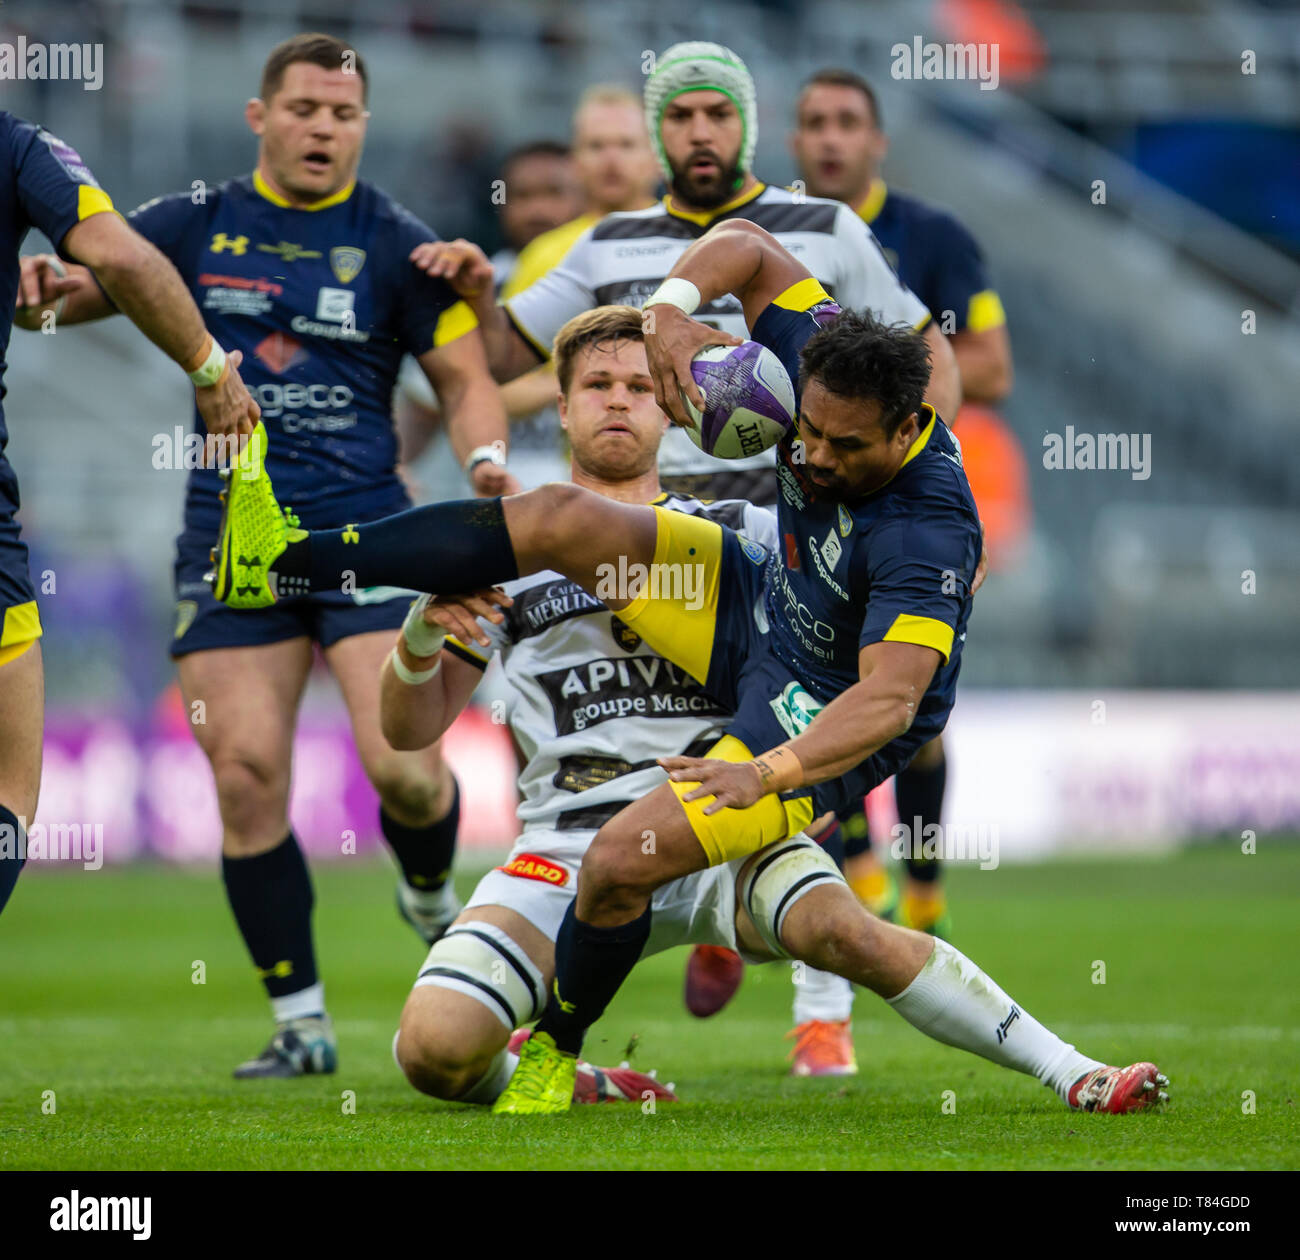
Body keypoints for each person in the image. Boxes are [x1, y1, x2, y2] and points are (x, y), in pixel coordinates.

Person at [204, 227, 1167, 1121]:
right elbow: (746, 247)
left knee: (814, 922)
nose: (814, 455)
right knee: (435, 1054)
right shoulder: (543, 538)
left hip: (803, 706)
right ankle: (284, 555)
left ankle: (1072, 1071)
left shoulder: (927, 534)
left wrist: (772, 774)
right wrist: (668, 312)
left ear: (910, 424)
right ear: (564, 400)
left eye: (844, 446)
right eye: (809, 433)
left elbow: (891, 699)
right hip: (641, 744)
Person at [14, 33, 510, 1076]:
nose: (322, 128)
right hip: (230, 543)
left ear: (363, 125)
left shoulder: (398, 243)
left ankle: (425, 888)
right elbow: (94, 283)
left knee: (408, 779)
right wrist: (40, 286)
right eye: (304, 109)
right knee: (243, 774)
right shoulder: (196, 221)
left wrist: (487, 460)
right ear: (259, 117)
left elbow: (464, 377)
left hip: (367, 537)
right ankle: (302, 1023)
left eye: (342, 113)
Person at [386, 305, 799, 1108]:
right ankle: (579, 1076)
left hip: (714, 831)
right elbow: (408, 729)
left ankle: (1053, 1069)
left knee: (845, 928)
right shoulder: (508, 550)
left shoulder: (742, 532)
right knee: (431, 1053)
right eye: (597, 385)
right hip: (566, 849)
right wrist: (417, 635)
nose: (618, 400)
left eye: (641, 386)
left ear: (673, 409)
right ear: (563, 407)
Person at [410, 40, 960, 505]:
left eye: (718, 115)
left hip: (795, 511)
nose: (700, 133)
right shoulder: (606, 240)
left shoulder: (825, 226)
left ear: (745, 126)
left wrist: (917, 486)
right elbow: (503, 356)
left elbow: (927, 359)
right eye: (679, 116)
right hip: (648, 516)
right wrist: (480, 296)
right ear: (656, 134)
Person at [1, 111, 258, 916]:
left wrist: (38, 305)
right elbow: (115, 251)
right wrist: (209, 367)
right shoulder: (16, 146)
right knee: (9, 790)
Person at [791, 66, 1016, 944]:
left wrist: (899, 419)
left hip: (912, 497)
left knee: (914, 716)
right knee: (817, 683)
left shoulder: (932, 237)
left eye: (848, 121)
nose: (831, 138)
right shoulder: (782, 234)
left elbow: (991, 366)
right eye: (814, 122)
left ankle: (922, 889)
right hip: (810, 496)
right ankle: (856, 869)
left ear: (877, 139)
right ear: (795, 141)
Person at [399, 87, 659, 492]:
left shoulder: (697, 241)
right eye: (596, 146)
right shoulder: (548, 254)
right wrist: (583, 375)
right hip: (594, 477)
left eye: (626, 145)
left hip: (709, 475)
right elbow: (494, 381)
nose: (611, 159)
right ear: (576, 161)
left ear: (657, 156)